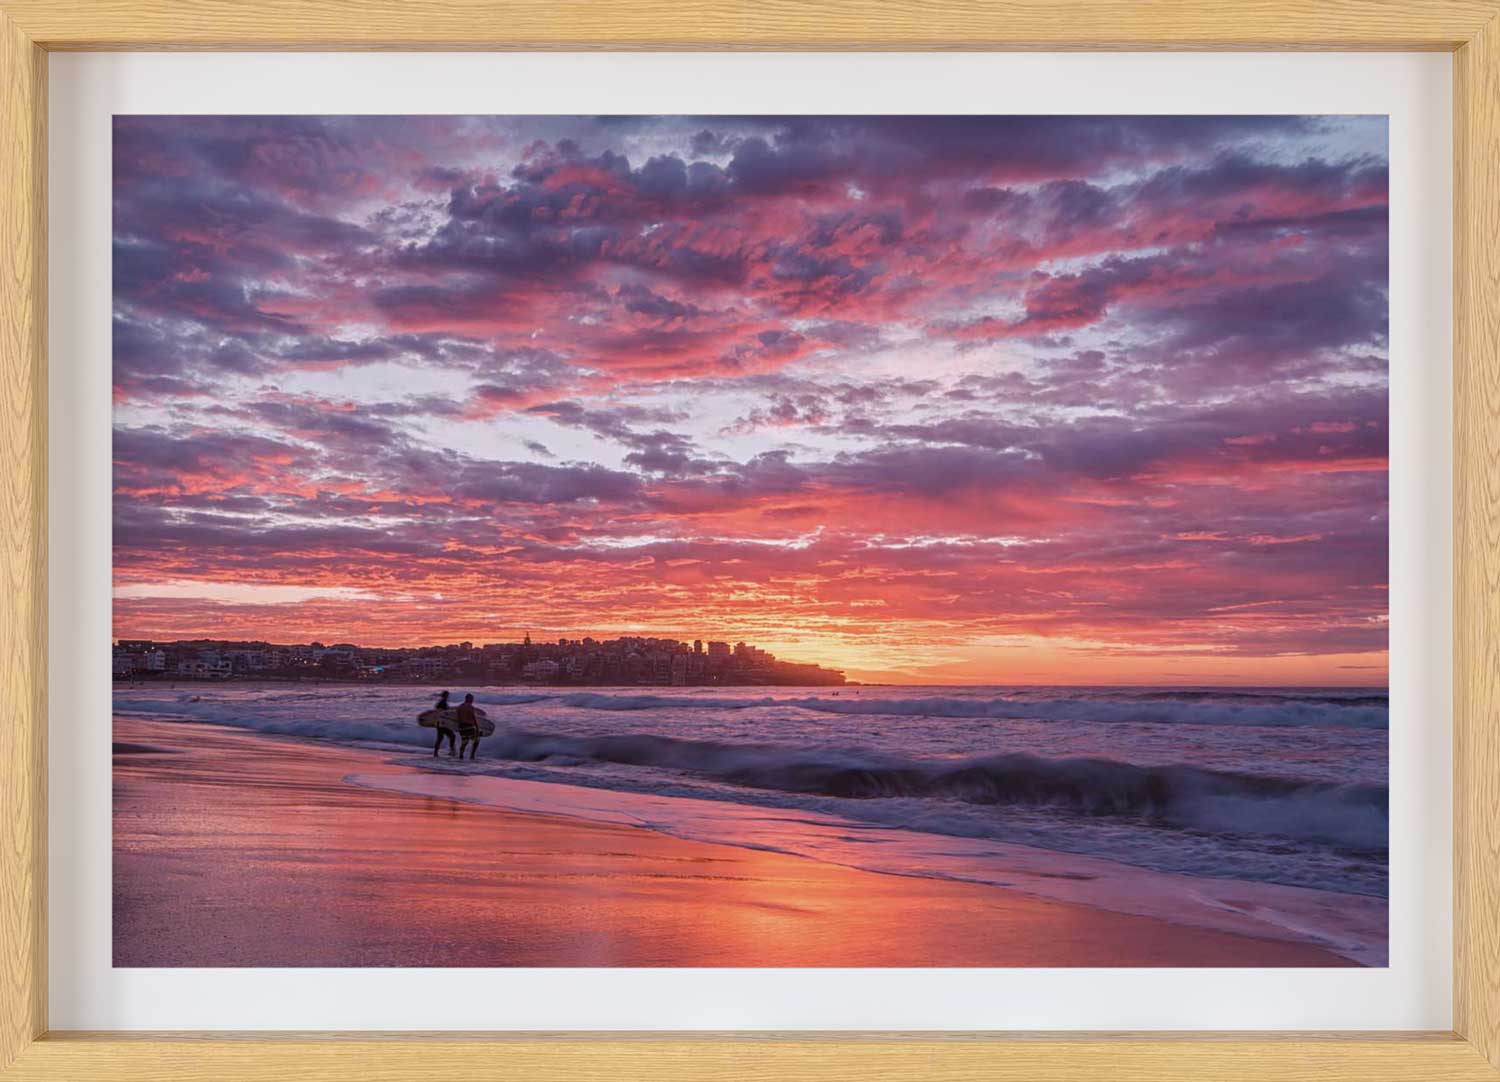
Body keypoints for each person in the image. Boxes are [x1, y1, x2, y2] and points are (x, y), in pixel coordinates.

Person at [455, 693, 482, 761]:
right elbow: (473, 717)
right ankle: (472, 755)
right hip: (469, 726)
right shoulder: (470, 707)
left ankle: (461, 755)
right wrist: (477, 727)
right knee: (476, 740)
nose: (472, 700)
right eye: (472, 699)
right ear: (468, 699)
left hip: (462, 726)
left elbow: (457, 718)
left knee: (464, 741)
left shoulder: (459, 707)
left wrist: (458, 727)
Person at [432, 690, 456, 758]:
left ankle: (435, 753)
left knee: (440, 738)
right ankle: (452, 751)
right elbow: (443, 713)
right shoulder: (443, 703)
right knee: (452, 736)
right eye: (447, 695)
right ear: (445, 696)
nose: (448, 696)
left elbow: (437, 713)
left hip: (439, 723)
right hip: (443, 723)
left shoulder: (440, 703)